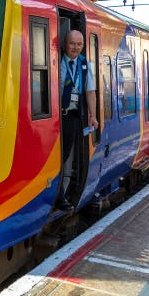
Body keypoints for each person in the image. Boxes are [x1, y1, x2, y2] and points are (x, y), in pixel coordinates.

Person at [56, 30, 99, 212]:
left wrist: (93, 115)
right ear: (65, 44)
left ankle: (60, 195)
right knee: (55, 157)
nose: (75, 47)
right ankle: (55, 194)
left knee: (65, 156)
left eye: (79, 44)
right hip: (54, 117)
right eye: (72, 43)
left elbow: (90, 91)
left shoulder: (84, 64)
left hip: (72, 117)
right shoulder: (56, 61)